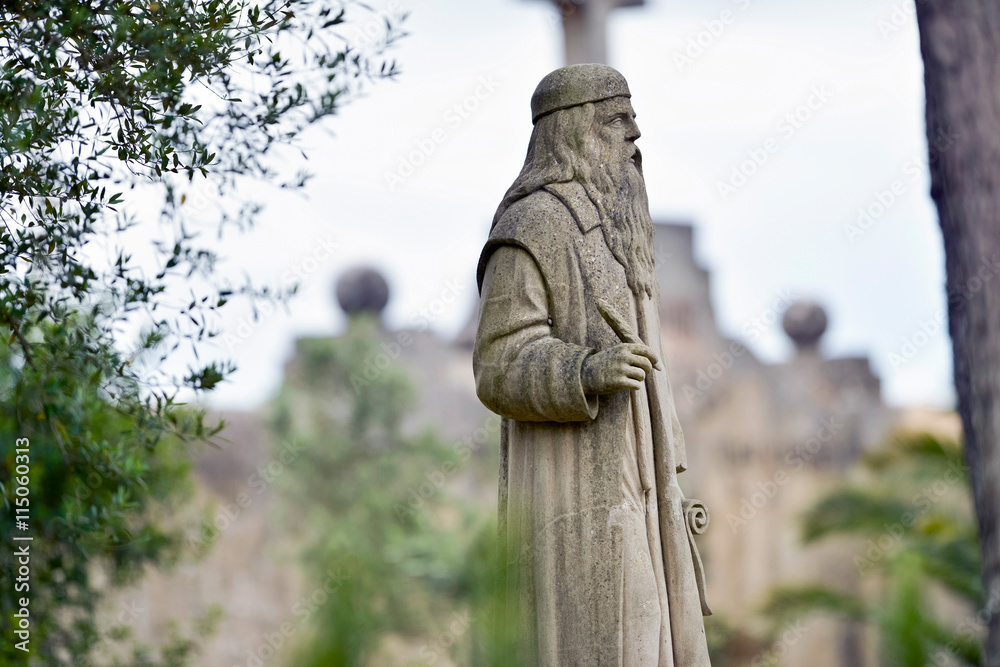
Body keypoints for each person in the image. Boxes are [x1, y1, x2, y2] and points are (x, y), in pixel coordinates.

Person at [473, 64, 712, 666]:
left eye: (634, 120)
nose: (635, 136)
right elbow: (498, 363)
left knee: (654, 637)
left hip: (643, 487)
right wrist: (584, 371)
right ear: (572, 131)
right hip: (573, 495)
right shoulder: (534, 227)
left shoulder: (625, 234)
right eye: (617, 120)